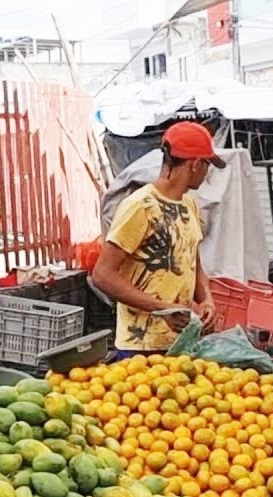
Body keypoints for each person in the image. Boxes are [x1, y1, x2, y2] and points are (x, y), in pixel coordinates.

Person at [93, 121, 223, 358]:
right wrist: (161, 309)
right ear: (195, 165)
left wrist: (207, 300)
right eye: (208, 164)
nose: (208, 173)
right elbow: (102, 275)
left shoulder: (190, 205)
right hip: (141, 348)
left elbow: (194, 266)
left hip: (180, 344)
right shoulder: (140, 207)